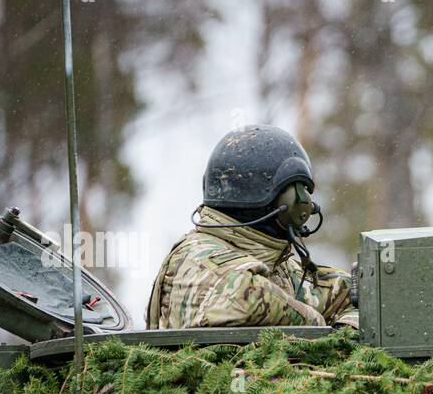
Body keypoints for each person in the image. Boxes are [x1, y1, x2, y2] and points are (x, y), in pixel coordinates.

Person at [146, 124, 354, 329]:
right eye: (300, 190)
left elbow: (352, 296)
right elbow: (243, 297)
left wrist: (349, 328)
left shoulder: (275, 262)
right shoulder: (198, 257)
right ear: (288, 199)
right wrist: (321, 328)